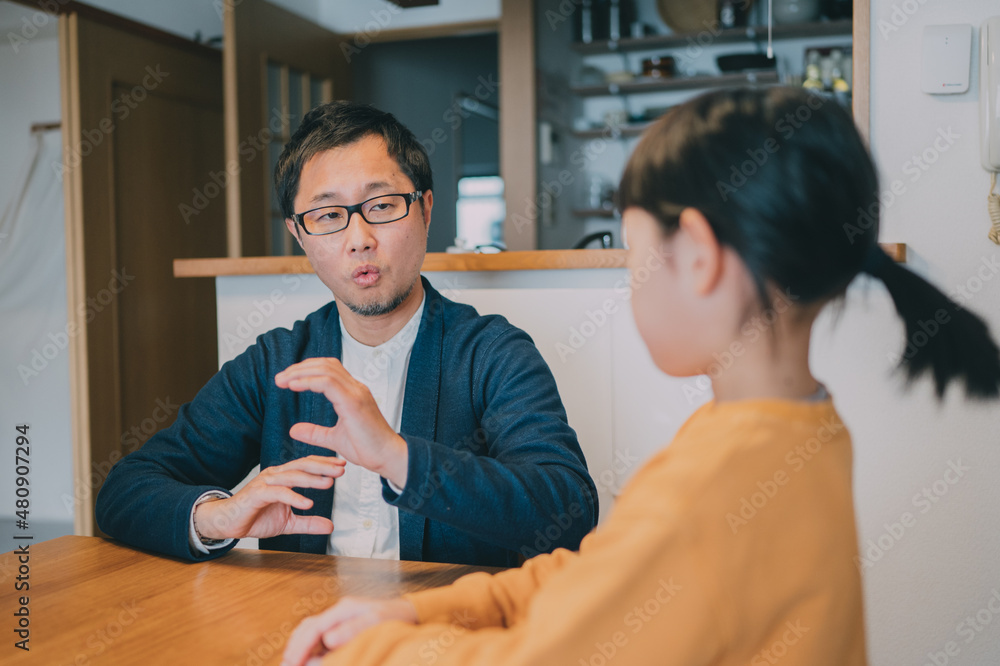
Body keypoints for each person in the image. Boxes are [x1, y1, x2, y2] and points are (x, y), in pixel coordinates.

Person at [279, 87, 1000, 666]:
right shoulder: (789, 424)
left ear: (699, 257)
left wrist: (375, 649)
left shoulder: (719, 482)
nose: (632, 287)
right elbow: (599, 574)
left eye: (633, 258)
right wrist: (418, 609)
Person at [95, 102, 598, 567]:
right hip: (306, 632)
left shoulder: (492, 353)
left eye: (381, 206)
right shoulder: (277, 364)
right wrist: (218, 515)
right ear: (299, 235)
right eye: (329, 215)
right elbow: (125, 492)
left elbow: (570, 510)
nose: (359, 239)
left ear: (424, 210)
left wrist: (397, 457)